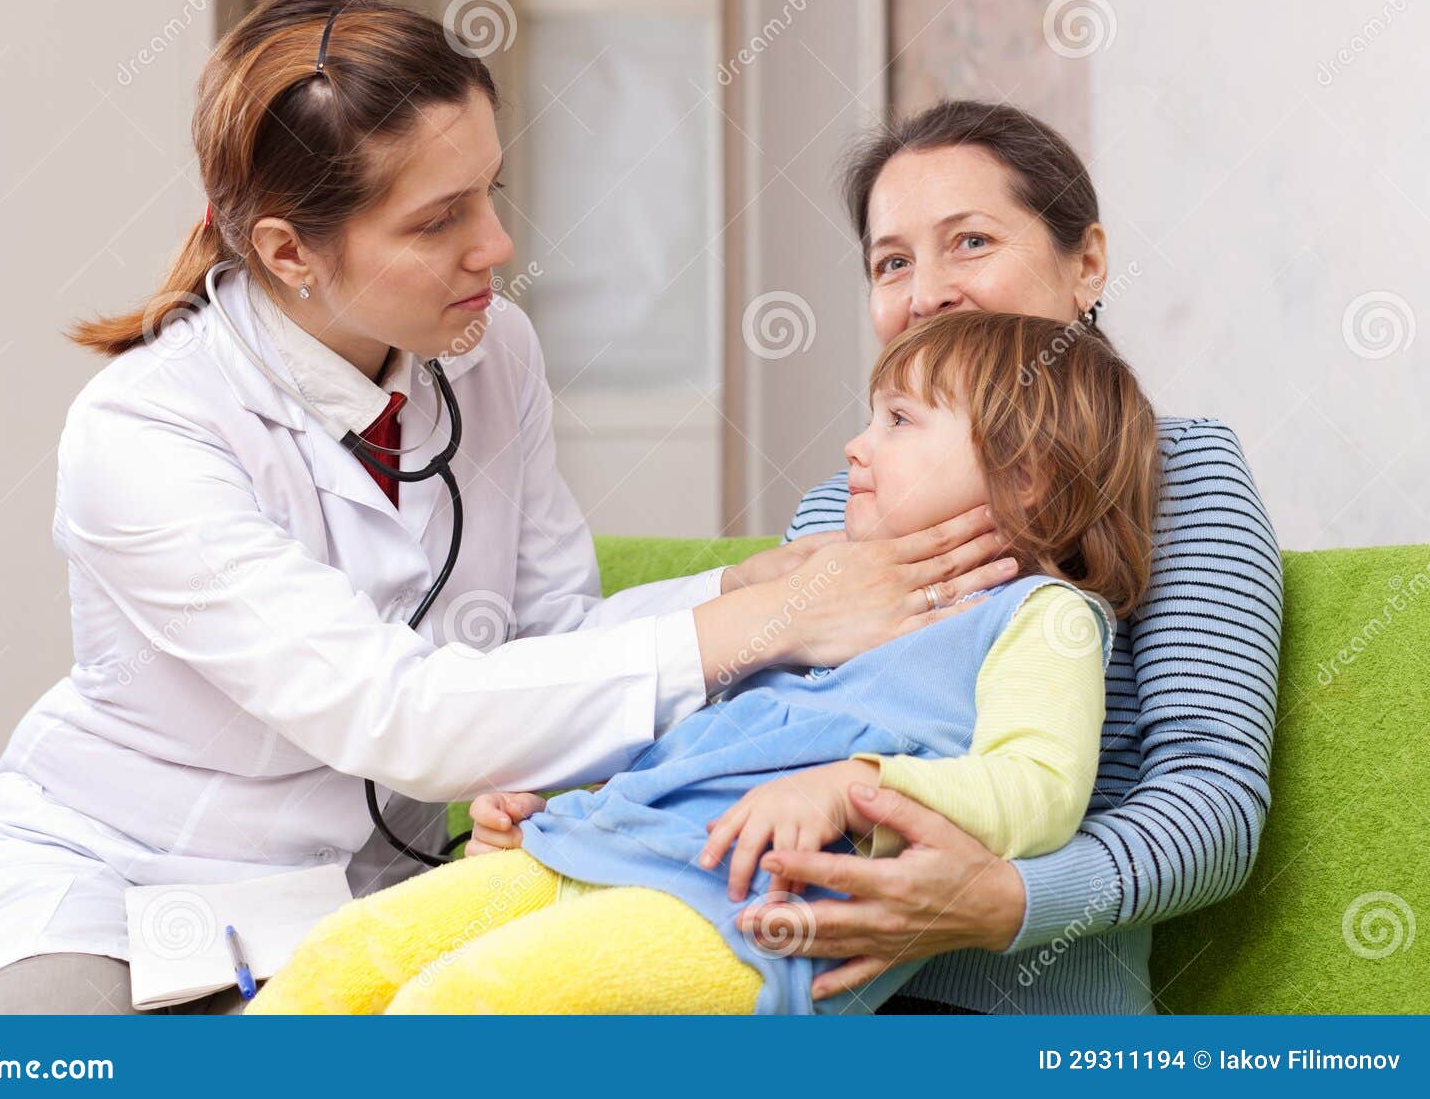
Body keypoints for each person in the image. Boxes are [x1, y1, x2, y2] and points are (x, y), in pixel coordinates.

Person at [0, 0, 1011, 1017]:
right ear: (289, 250)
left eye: (490, 192)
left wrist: (746, 587)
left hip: (346, 907)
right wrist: (763, 625)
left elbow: (545, 644)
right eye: (438, 220)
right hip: (110, 885)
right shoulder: (144, 433)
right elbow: (398, 715)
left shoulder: (489, 351)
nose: (499, 247)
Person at [472, 101, 1283, 1015]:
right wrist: (577, 822)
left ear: (1085, 263)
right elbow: (748, 747)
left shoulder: (1180, 471)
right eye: (892, 262)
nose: (925, 293)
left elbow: (1210, 798)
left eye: (970, 241)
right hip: (770, 971)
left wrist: (996, 906)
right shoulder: (839, 508)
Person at [244, 309, 1161, 1015]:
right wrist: (553, 806)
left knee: (461, 1008)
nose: (857, 444)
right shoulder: (833, 586)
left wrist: (856, 789)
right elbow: (705, 742)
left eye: (900, 421)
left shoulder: (1043, 618)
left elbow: (1039, 787)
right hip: (604, 848)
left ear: (1026, 472)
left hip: (742, 914)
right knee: (340, 962)